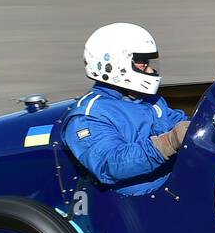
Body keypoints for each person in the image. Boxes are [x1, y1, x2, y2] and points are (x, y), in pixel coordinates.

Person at [64, 23, 190, 196]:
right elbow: (111, 165)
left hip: (174, 183)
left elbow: (182, 124)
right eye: (142, 63)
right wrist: (168, 142)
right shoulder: (88, 115)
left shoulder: (147, 99)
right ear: (115, 65)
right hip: (143, 201)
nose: (151, 69)